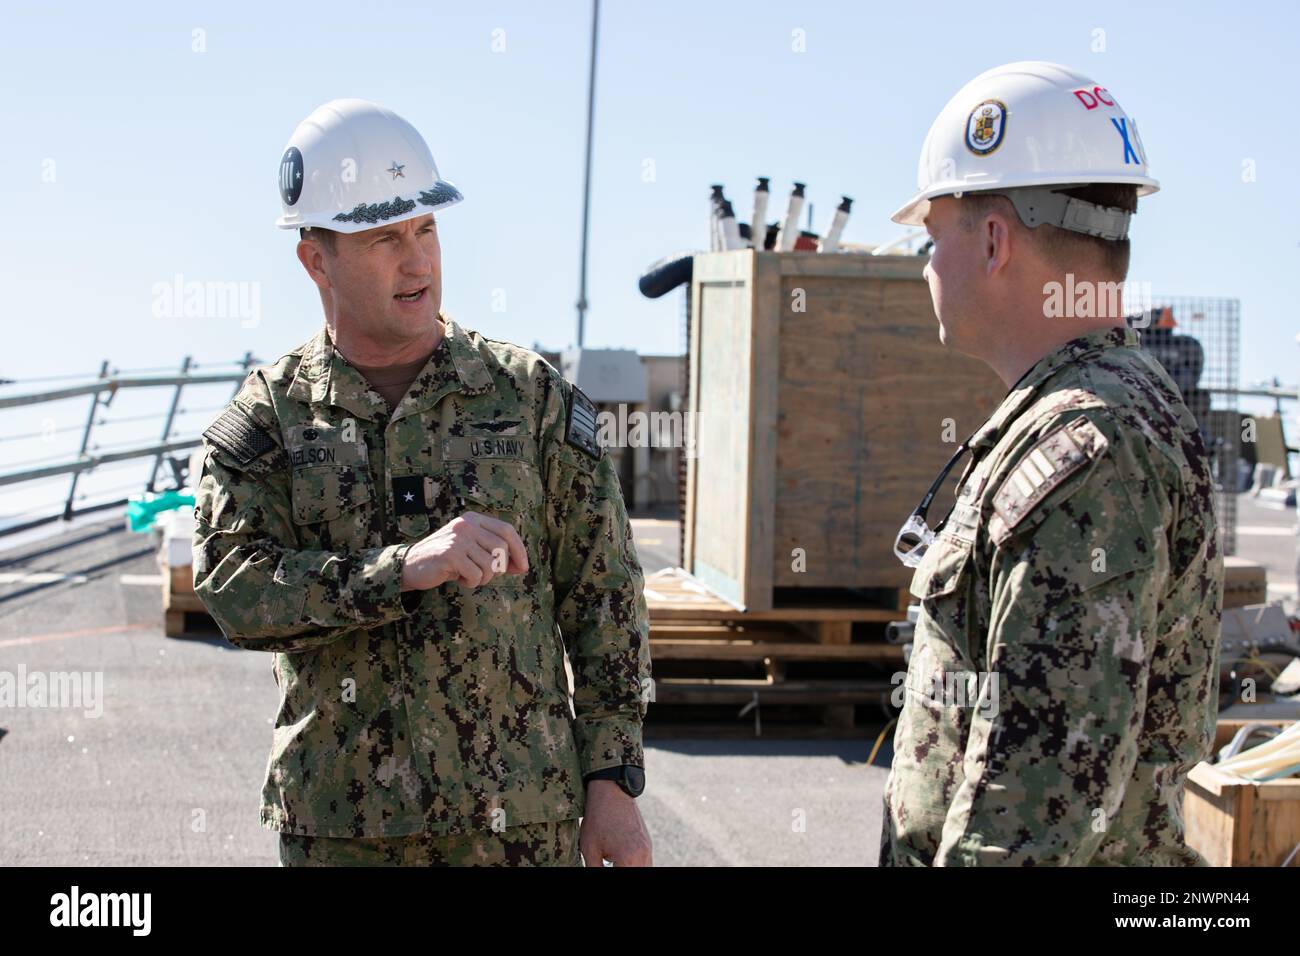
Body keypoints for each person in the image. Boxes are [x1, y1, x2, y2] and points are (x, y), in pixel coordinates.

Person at [193, 98, 653, 867]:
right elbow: (232, 586)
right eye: (383, 239)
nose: (419, 262)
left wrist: (613, 782)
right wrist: (397, 572)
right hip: (346, 832)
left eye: (426, 230)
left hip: (520, 827)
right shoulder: (270, 418)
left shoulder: (528, 395)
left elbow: (604, 593)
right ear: (316, 260)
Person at [878, 62, 1223, 865]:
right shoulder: (1102, 409)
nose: (926, 268)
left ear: (994, 240)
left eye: (933, 240)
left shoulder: (1088, 454)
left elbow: (1029, 819)